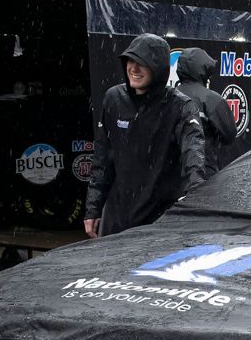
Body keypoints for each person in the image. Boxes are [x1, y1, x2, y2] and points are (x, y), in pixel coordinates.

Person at [84, 34, 206, 238]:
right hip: (117, 218)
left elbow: (194, 157)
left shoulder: (181, 106)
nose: (133, 68)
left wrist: (199, 202)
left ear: (158, 67)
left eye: (142, 62)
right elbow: (102, 160)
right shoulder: (113, 98)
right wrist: (93, 208)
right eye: (130, 61)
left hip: (159, 221)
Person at [173, 47, 240, 177]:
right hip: (203, 173)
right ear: (205, 70)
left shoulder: (168, 96)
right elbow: (229, 134)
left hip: (169, 178)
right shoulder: (212, 99)